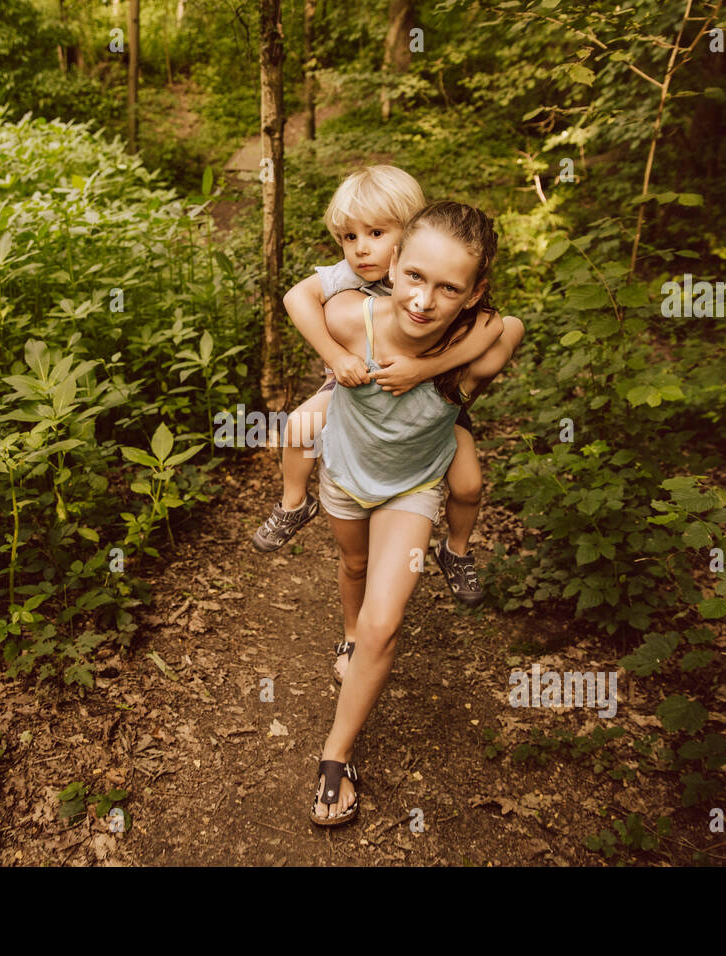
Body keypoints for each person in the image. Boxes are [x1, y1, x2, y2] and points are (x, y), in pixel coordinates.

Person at [308, 200, 525, 826]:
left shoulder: (476, 350)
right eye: (414, 277)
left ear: (474, 293)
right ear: (394, 262)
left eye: (449, 287)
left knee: (386, 619)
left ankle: (335, 755)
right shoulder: (351, 318)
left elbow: (508, 328)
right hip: (347, 475)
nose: (425, 301)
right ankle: (348, 636)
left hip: (412, 488)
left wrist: (433, 366)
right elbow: (303, 302)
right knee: (353, 564)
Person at [251, 166, 504, 608]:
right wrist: (336, 357)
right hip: (352, 391)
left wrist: (428, 369)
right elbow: (296, 298)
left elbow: (498, 324)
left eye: (374, 232)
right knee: (297, 427)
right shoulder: (347, 277)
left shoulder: (434, 274)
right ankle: (294, 503)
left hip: (430, 406)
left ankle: (456, 550)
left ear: (409, 236)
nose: (360, 248)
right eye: (349, 237)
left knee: (468, 485)